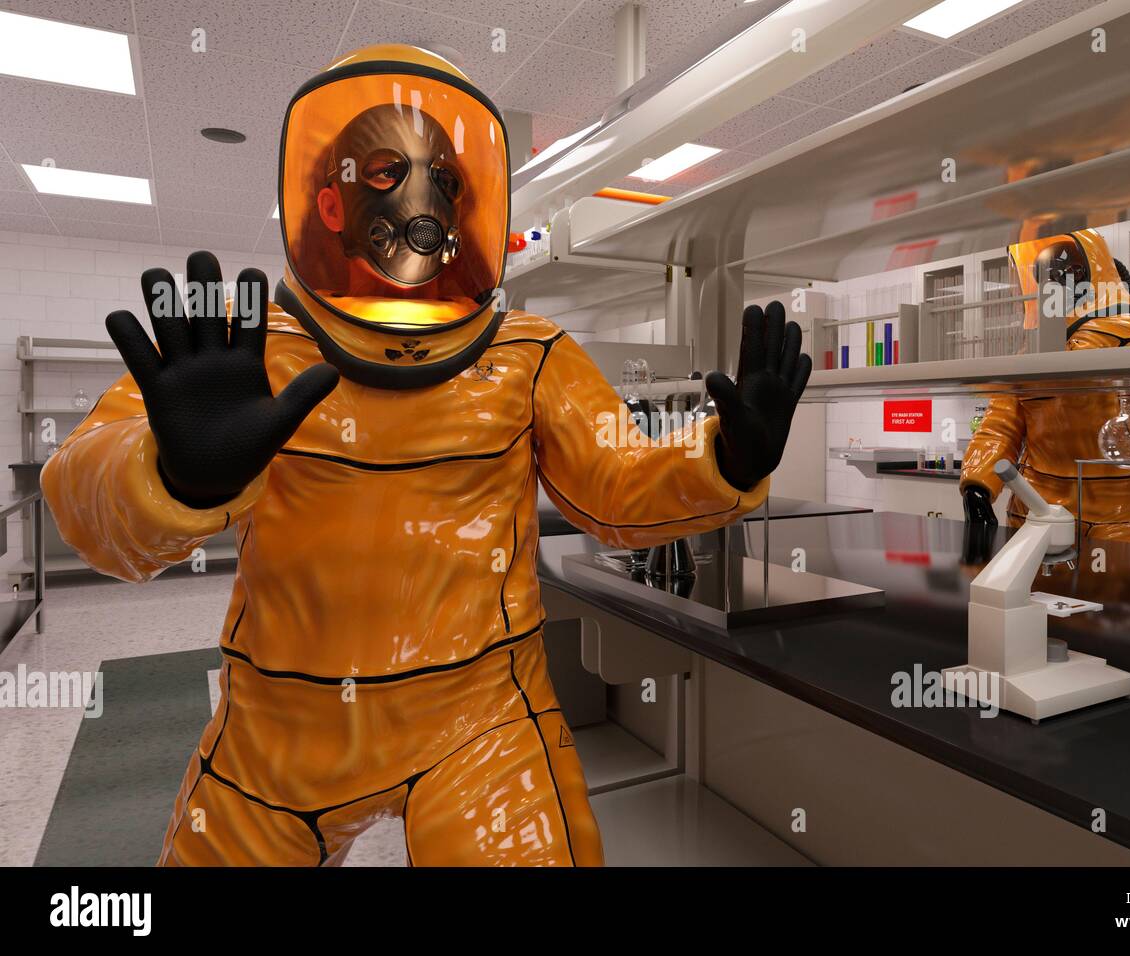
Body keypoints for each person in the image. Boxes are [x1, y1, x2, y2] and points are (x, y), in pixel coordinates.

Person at [40, 44, 811, 866]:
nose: (421, 201)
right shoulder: (250, 354)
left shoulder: (527, 352)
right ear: (330, 204)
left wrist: (723, 459)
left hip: (480, 715)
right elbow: (83, 494)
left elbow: (617, 484)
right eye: (384, 175)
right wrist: (169, 476)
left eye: (442, 180)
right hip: (280, 730)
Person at [961, 229, 1130, 552]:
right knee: (1041, 600)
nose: (1055, 281)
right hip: (1042, 516)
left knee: (1112, 600)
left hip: (1118, 521)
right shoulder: (1033, 354)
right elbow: (1000, 427)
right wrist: (977, 487)